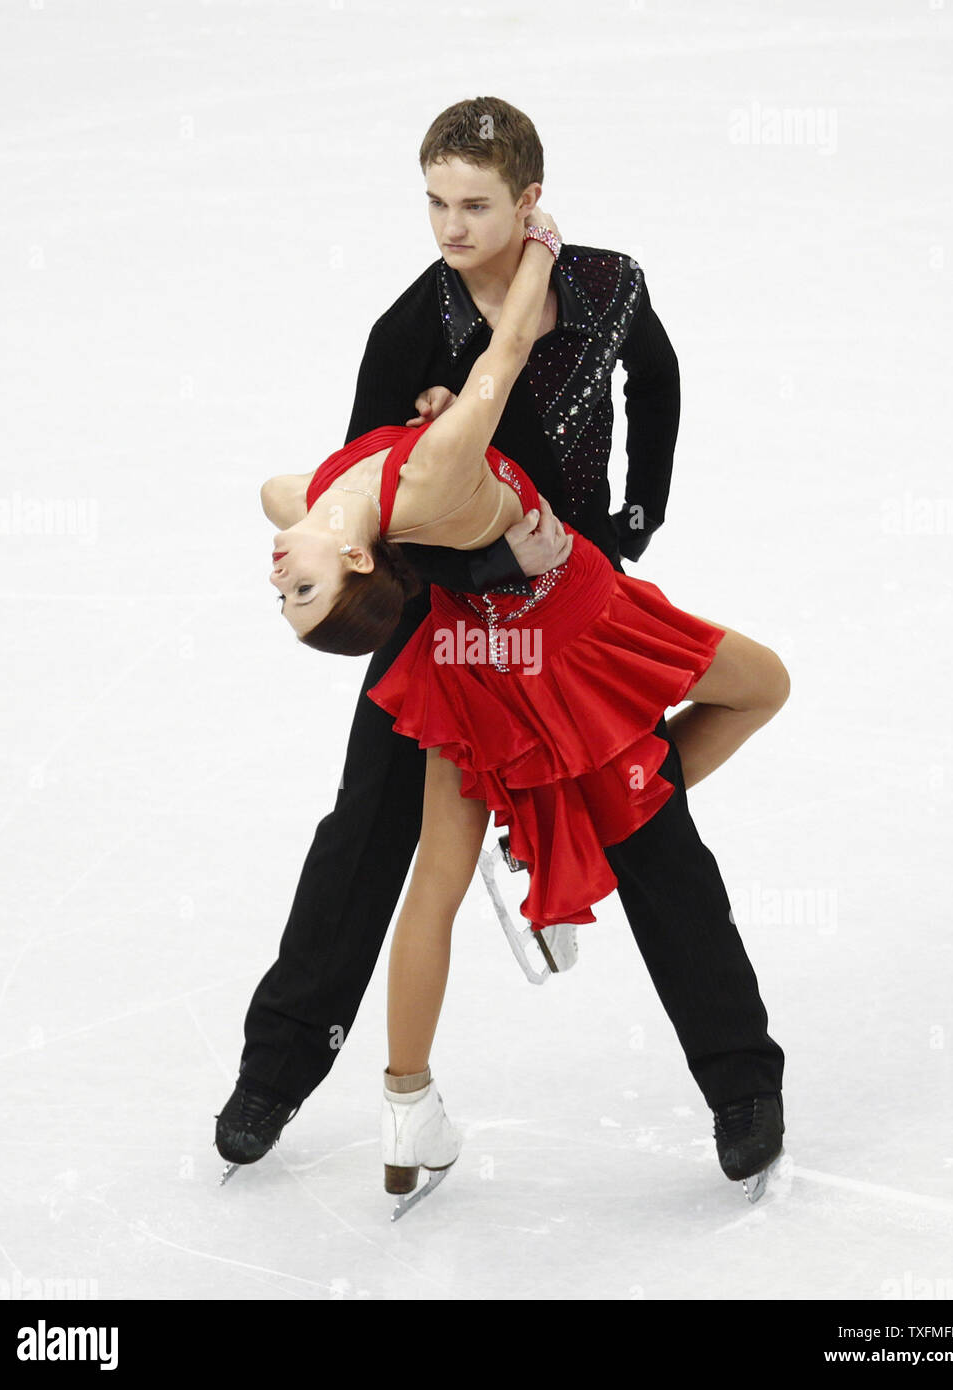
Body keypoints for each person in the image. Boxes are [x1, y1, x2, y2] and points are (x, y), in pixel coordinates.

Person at [215, 97, 788, 1198]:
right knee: (363, 831)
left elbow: (654, 380)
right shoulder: (408, 331)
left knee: (653, 832)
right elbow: (362, 499)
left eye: (473, 205)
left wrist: (633, 520)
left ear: (527, 201)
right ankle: (273, 1071)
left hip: (572, 603)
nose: (449, 228)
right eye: (434, 203)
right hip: (434, 617)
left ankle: (740, 1083)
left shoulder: (608, 284)